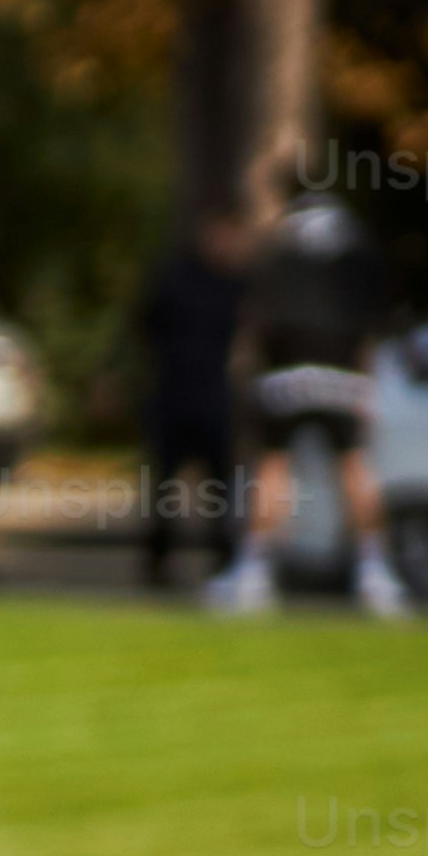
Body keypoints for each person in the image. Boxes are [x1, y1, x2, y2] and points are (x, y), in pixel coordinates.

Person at [217, 190, 409, 620]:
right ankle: (376, 572)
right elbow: (377, 323)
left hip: (285, 370)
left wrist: (246, 374)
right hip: (343, 372)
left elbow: (251, 317)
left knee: (272, 466)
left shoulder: (280, 246)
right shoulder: (358, 250)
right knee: (355, 466)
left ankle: (254, 572)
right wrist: (367, 385)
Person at [133, 202, 249, 591]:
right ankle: (157, 561)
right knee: (165, 486)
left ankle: (225, 564)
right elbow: (144, 328)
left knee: (218, 489)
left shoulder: (237, 286)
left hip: (215, 399)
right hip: (173, 395)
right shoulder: (174, 279)